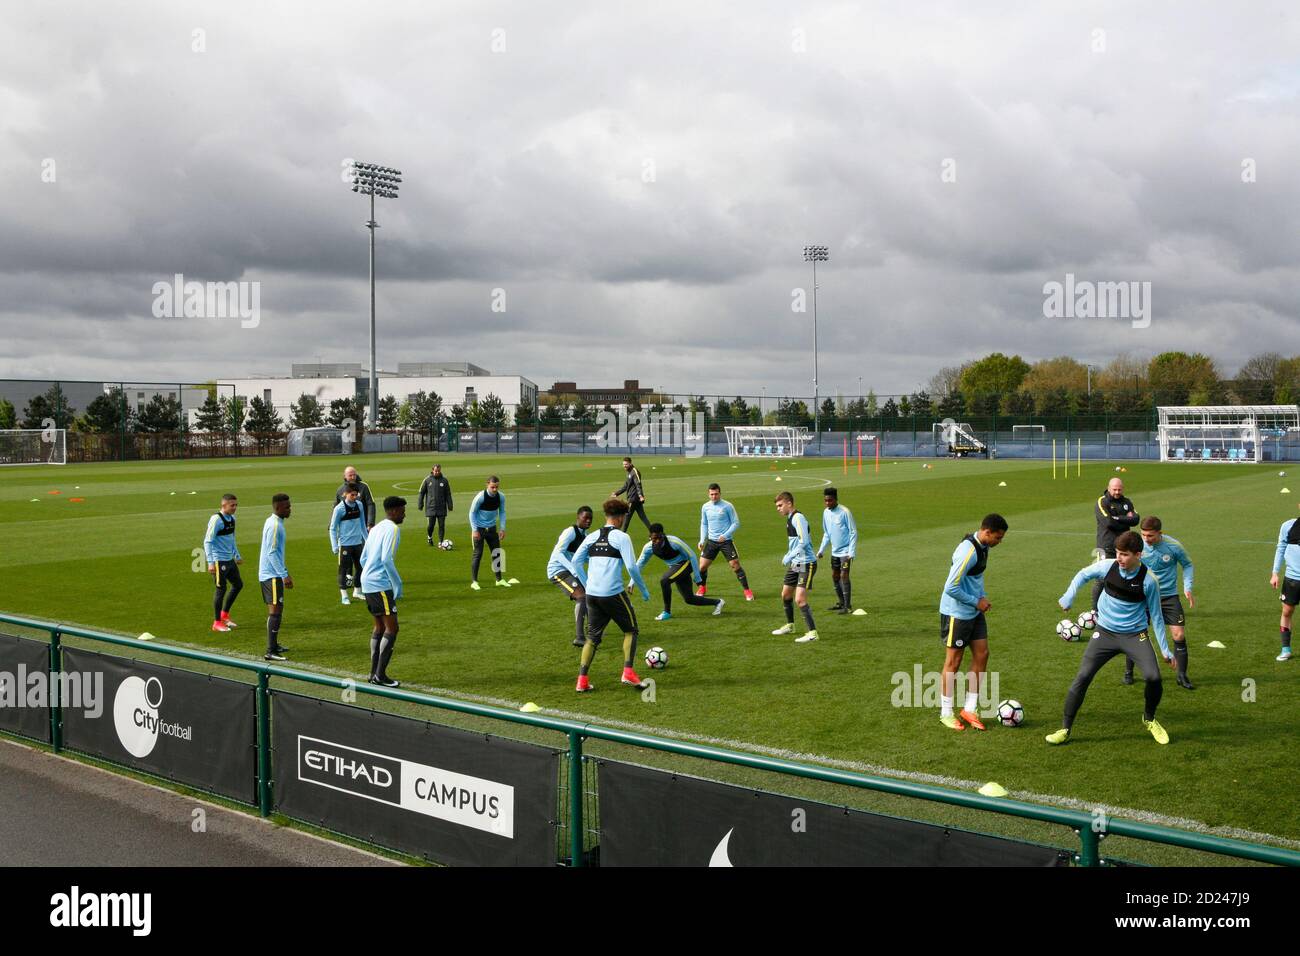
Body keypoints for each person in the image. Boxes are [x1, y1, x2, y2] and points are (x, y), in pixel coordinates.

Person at [1048, 530, 1175, 746]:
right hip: (1105, 633)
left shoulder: (1149, 581)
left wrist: (1165, 649)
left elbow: (1156, 615)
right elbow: (1083, 574)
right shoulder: (1108, 567)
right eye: (1117, 553)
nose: (1119, 558)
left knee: (1154, 678)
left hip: (1134, 635)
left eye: (1124, 554)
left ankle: (1149, 719)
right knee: (1083, 676)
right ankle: (1065, 728)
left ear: (1138, 555)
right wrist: (1069, 595)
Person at [570, 499, 652, 693]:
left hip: (592, 594)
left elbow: (575, 561)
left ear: (607, 516)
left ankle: (582, 681)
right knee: (631, 630)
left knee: (592, 638)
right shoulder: (622, 537)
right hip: (612, 593)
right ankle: (628, 673)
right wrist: (644, 590)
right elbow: (632, 566)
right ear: (621, 517)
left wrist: (587, 583)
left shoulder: (591, 537)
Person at [937, 514, 1008, 731]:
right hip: (957, 613)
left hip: (974, 611)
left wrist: (981, 596)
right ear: (986, 532)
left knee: (982, 654)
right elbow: (951, 587)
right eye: (998, 537)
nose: (999, 542)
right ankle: (946, 712)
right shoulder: (967, 552)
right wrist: (976, 601)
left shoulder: (984, 547)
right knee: (954, 661)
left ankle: (969, 708)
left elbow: (976, 577)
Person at [1129, 516, 1196, 689]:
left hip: (1169, 596)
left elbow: (1187, 564)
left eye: (1150, 535)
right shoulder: (1138, 546)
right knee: (1135, 633)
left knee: (1179, 635)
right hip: (1144, 596)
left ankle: (1181, 675)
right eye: (1143, 535)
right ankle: (1128, 672)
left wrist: (1187, 587)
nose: (1146, 539)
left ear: (1160, 533)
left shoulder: (1173, 546)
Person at [360, 496, 406, 687]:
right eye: (402, 511)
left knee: (379, 627)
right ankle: (380, 675)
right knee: (392, 628)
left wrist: (369, 574)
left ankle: (373, 674)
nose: (404, 515)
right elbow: (387, 559)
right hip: (380, 584)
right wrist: (397, 584)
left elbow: (363, 558)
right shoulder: (393, 529)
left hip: (367, 581)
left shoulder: (376, 528)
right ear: (393, 511)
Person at [637, 523, 722, 621]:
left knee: (664, 580)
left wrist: (697, 576)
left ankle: (666, 612)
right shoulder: (648, 547)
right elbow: (639, 564)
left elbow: (692, 555)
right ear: (650, 537)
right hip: (675, 568)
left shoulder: (674, 542)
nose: (656, 541)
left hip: (686, 564)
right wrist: (632, 582)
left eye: (658, 538)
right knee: (689, 599)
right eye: (653, 539)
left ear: (662, 535)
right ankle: (718, 602)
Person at [771, 492, 819, 643]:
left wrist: (790, 555)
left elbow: (804, 541)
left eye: (780, 505)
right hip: (796, 563)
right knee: (786, 595)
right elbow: (795, 542)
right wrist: (790, 555)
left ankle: (812, 633)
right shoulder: (790, 518)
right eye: (777, 506)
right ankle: (790, 625)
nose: (778, 509)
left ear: (789, 503)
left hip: (806, 563)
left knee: (799, 599)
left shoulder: (798, 518)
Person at [697, 483, 754, 600]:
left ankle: (747, 591)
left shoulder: (727, 506)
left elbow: (736, 523)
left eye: (716, 494)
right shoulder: (705, 507)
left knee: (735, 565)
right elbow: (704, 524)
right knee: (702, 567)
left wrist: (725, 535)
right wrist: (702, 540)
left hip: (726, 542)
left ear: (720, 493)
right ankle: (702, 587)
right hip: (711, 542)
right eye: (712, 494)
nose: (714, 496)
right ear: (708, 494)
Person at [549, 506, 594, 647]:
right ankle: (579, 637)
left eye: (590, 519)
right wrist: (573, 569)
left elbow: (585, 557)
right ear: (578, 517)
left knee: (590, 594)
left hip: (570, 571)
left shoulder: (585, 536)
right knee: (581, 596)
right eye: (585, 518)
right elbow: (557, 553)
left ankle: (592, 630)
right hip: (558, 571)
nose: (588, 521)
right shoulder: (570, 532)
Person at [1092, 477, 1139, 609]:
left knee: (1124, 577)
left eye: (1119, 489)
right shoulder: (1102, 501)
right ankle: (1095, 610)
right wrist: (1125, 519)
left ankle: (1118, 606)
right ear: (1108, 488)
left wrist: (1116, 518)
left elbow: (1135, 519)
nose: (1117, 492)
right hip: (1106, 547)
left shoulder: (1127, 502)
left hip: (1124, 548)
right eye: (1114, 489)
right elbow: (1108, 523)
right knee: (1101, 579)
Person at [257, 494, 293, 661]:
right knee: (275, 611)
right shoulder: (275, 526)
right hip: (271, 575)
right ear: (278, 508)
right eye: (287, 507)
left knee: (278, 609)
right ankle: (270, 650)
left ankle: (274, 644)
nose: (290, 509)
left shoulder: (272, 521)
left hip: (271, 574)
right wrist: (284, 575)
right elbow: (272, 553)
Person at [204, 493, 243, 633]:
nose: (235, 507)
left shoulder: (232, 519)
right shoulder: (216, 520)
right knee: (221, 589)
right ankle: (217, 622)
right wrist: (210, 562)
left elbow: (232, 539)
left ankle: (224, 615)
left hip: (229, 560)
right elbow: (208, 541)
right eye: (232, 505)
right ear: (223, 505)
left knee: (238, 585)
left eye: (236, 505)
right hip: (218, 561)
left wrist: (237, 555)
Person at [816, 487, 858, 615]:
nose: (827, 503)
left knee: (844, 575)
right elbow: (826, 533)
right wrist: (821, 550)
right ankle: (841, 602)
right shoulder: (826, 513)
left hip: (845, 552)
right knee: (835, 576)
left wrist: (851, 552)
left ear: (836, 499)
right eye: (825, 500)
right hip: (835, 552)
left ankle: (848, 606)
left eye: (830, 500)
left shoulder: (845, 512)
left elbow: (853, 532)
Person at [329, 482, 369, 605]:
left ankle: (357, 591)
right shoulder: (339, 509)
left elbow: (362, 524)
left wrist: (368, 541)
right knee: (343, 569)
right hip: (345, 545)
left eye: (356, 495)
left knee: (361, 567)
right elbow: (333, 528)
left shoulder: (359, 505)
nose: (355, 497)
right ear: (345, 494)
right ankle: (344, 595)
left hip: (358, 543)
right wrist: (334, 545)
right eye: (352, 495)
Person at [1270, 501, 1300, 662]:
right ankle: (1285, 649)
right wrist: (1275, 573)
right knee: (1287, 611)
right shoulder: (1288, 526)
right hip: (1292, 579)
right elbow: (1280, 548)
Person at [468, 475, 509, 589]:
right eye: (492, 487)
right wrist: (474, 530)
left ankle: (499, 580)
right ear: (487, 485)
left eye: (497, 487)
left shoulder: (501, 497)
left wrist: (502, 528)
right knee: (478, 554)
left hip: (492, 529)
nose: (495, 489)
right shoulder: (480, 497)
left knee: (497, 553)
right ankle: (474, 582)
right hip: (479, 530)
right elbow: (472, 513)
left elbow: (502, 512)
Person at [417, 463, 453, 546]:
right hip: (431, 507)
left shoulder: (444, 480)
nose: (437, 472)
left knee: (441, 525)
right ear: (432, 470)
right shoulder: (427, 480)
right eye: (436, 471)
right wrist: (420, 504)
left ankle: (440, 542)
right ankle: (429, 537)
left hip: (441, 507)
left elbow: (448, 494)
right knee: (431, 526)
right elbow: (421, 493)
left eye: (438, 471)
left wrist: (450, 505)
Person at [613, 456, 651, 532]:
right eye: (623, 464)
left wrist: (640, 496)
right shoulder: (629, 472)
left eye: (626, 464)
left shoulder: (634, 472)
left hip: (633, 499)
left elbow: (638, 484)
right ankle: (653, 531)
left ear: (630, 463)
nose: (624, 466)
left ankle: (622, 534)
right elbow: (626, 486)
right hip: (635, 499)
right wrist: (617, 493)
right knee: (643, 516)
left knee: (627, 516)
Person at [335, 465, 376, 530]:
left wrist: (370, 523)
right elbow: (335, 507)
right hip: (346, 527)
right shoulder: (340, 490)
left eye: (354, 475)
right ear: (345, 476)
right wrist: (332, 524)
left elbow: (370, 504)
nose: (353, 477)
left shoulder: (364, 487)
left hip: (363, 525)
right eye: (350, 475)